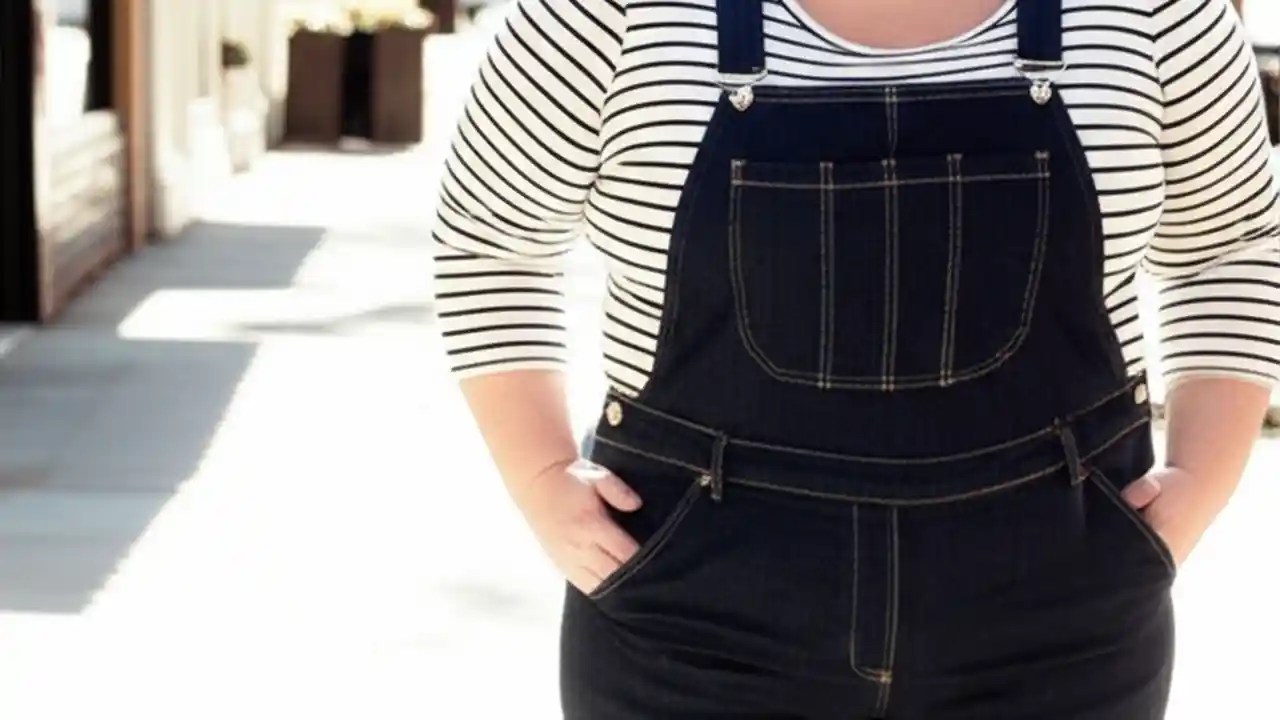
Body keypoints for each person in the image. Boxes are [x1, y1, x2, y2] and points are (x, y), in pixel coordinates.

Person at [431, 0, 1280, 717]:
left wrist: (1201, 482)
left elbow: (1232, 246)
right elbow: (488, 238)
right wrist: (539, 475)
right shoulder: (607, 13)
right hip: (696, 621)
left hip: (1060, 617)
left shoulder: (1158, 12)